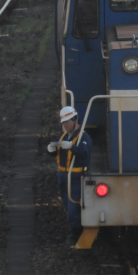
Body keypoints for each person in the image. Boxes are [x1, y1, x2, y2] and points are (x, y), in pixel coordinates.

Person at [48, 105, 92, 245]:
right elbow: (53, 151)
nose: (65, 125)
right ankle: (76, 231)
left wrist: (72, 147)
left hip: (75, 178)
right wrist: (50, 149)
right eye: (63, 122)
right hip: (63, 177)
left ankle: (76, 235)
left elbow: (85, 154)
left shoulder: (83, 137)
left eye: (67, 122)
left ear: (75, 120)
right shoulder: (62, 137)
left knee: (74, 208)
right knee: (68, 206)